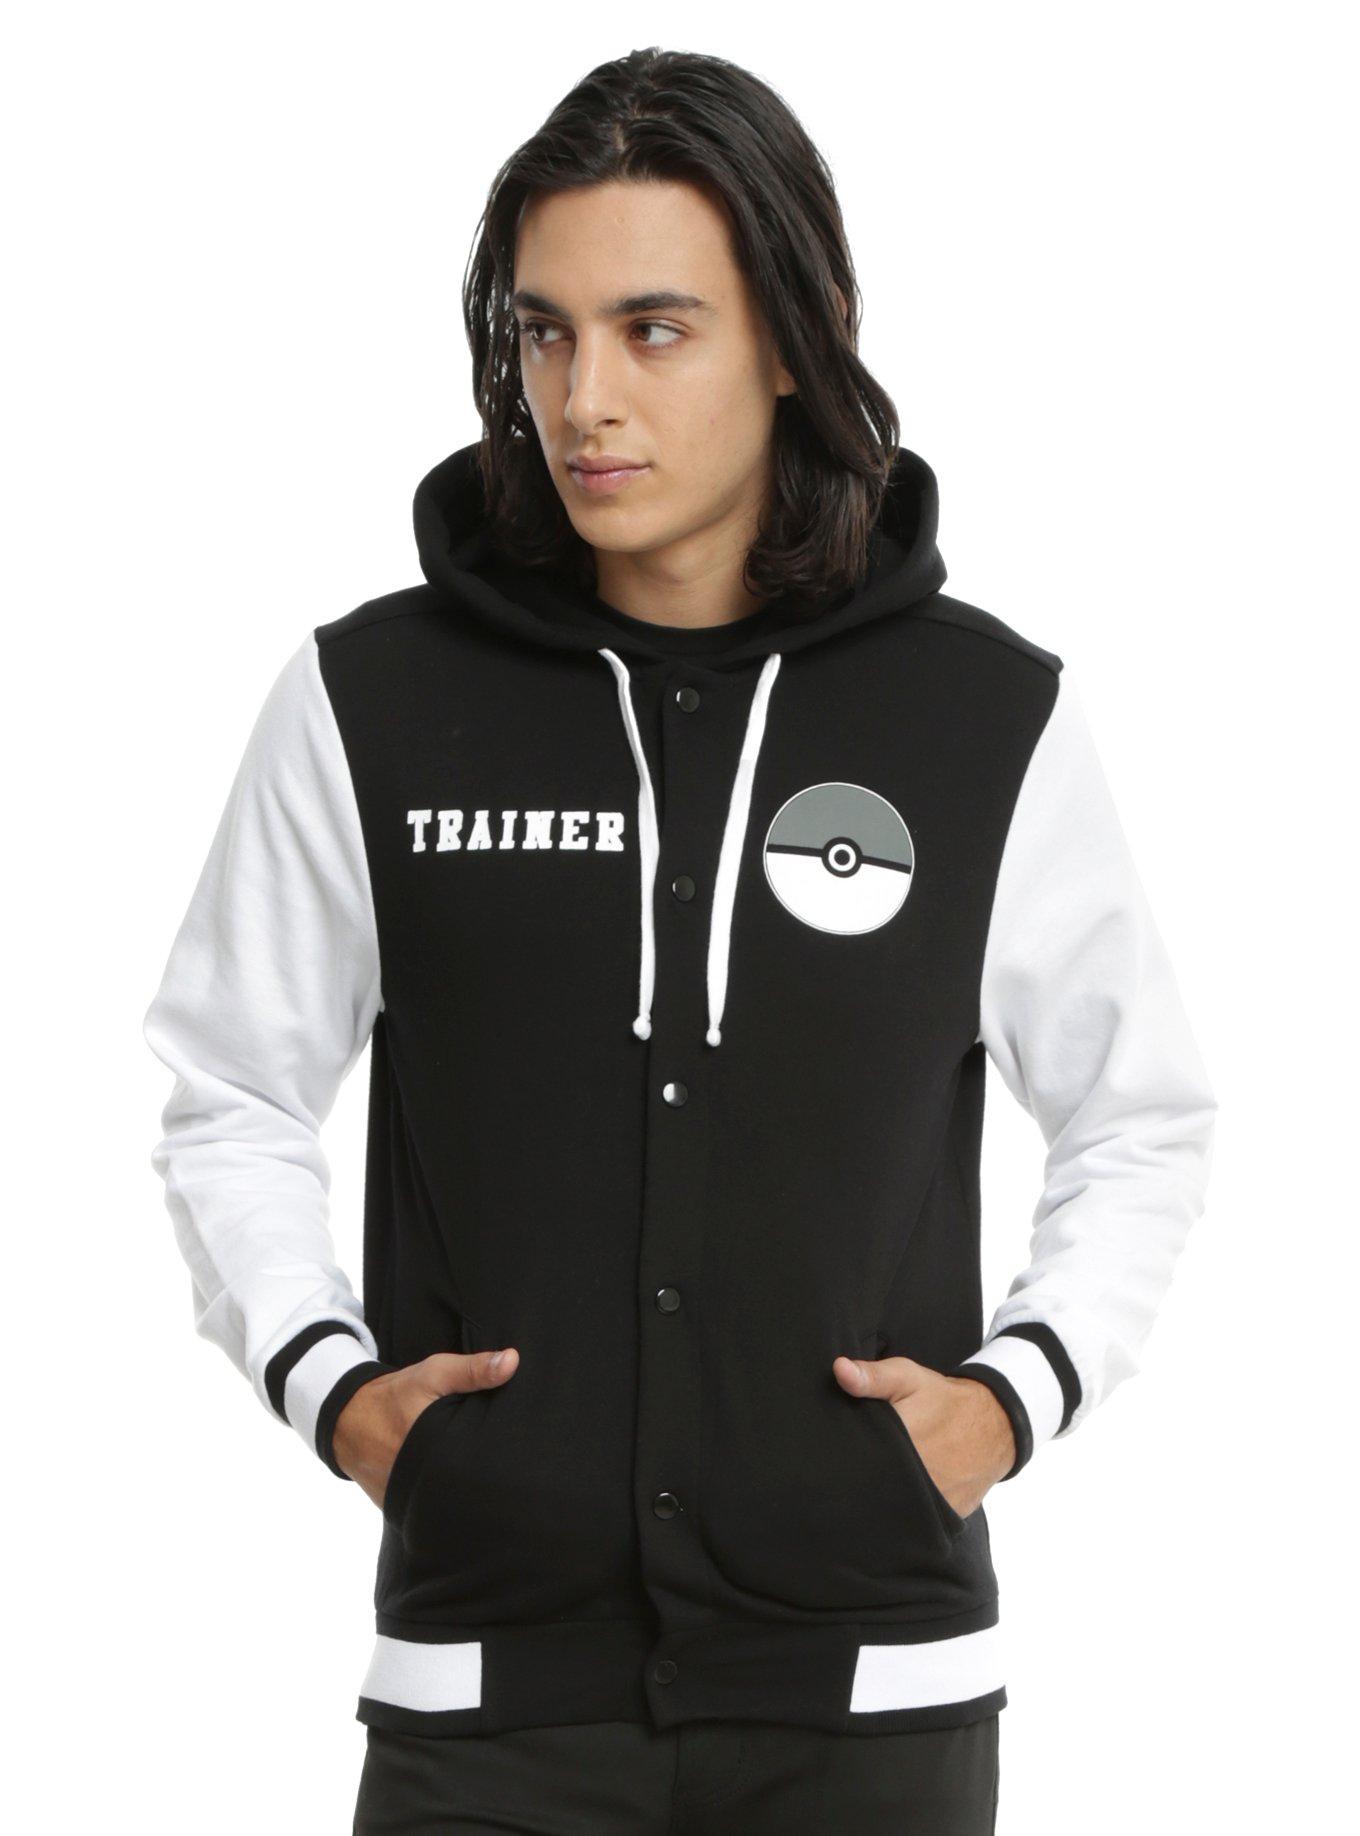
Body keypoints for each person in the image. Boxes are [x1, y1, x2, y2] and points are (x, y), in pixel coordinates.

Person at [142, 45, 1218, 1836]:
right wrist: (336, 1394)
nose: (586, 400)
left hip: (872, 1699)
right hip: (487, 1699)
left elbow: (1143, 1115)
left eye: (654, 331)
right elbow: (229, 1089)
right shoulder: (371, 703)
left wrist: (1006, 1404)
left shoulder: (983, 719)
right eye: (545, 334)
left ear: (796, 336)